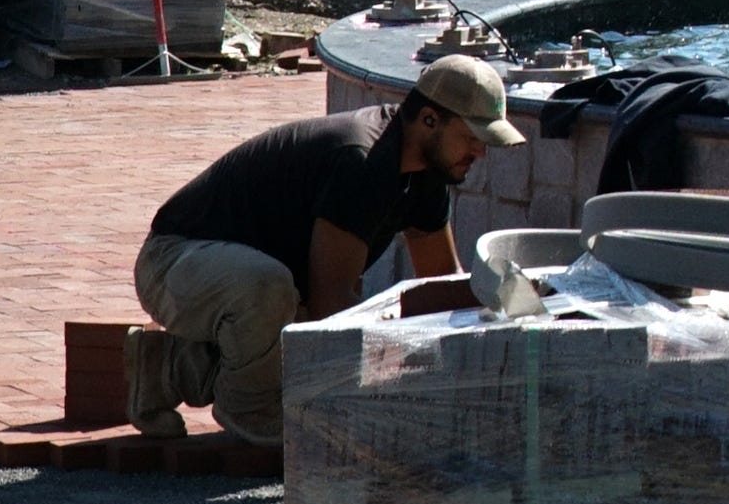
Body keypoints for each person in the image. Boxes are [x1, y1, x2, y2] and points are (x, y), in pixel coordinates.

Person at [124, 55, 525, 443]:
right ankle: (247, 407)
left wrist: (502, 330)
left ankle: (166, 369)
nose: (480, 153)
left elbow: (439, 290)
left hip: (241, 283)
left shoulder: (427, 174)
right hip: (173, 260)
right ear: (429, 119)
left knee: (289, 317)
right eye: (472, 138)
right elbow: (330, 309)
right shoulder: (361, 162)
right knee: (278, 296)